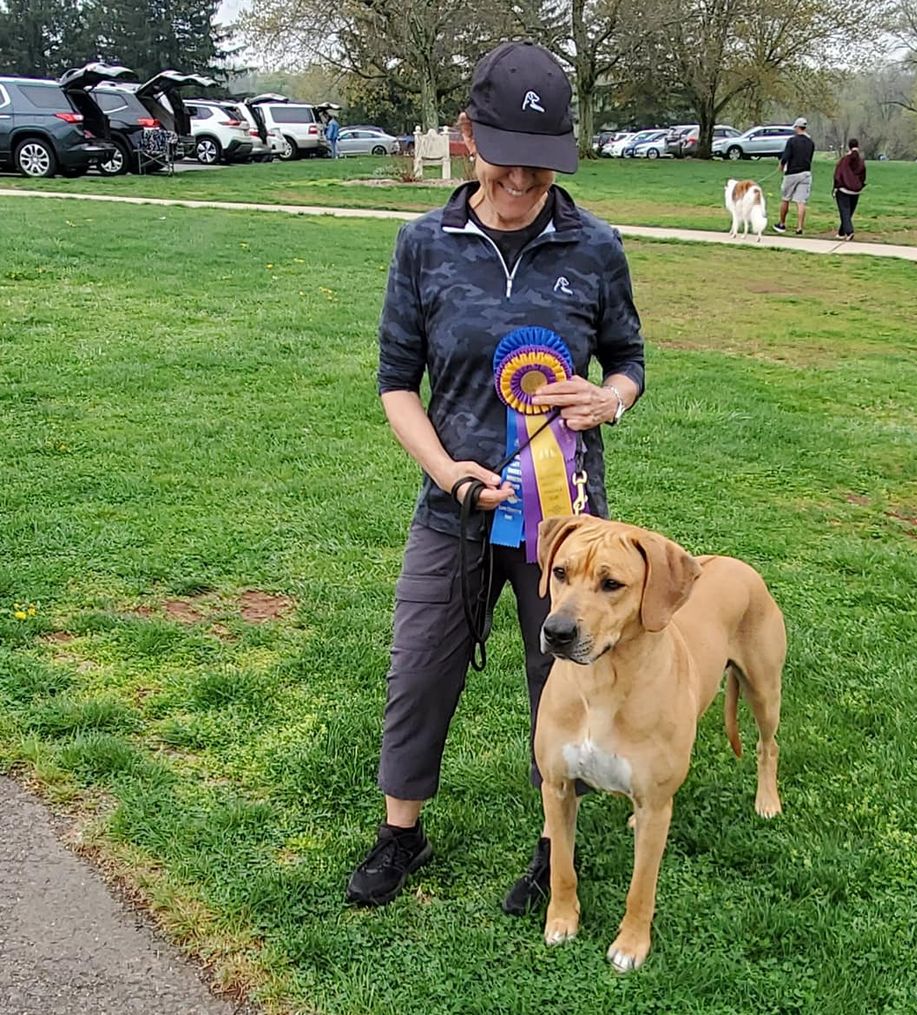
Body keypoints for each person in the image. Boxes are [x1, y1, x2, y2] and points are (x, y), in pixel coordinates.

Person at [346, 40, 645, 914]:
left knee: (562, 674)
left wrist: (610, 398)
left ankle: (556, 842)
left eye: (540, 168)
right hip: (454, 510)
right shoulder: (422, 245)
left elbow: (628, 358)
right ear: (469, 135)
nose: (521, 183)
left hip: (568, 525)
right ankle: (401, 832)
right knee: (420, 668)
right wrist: (447, 472)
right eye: (507, 161)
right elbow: (396, 383)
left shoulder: (595, 245)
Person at [774, 117, 815, 236]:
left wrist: (781, 165)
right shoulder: (810, 142)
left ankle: (782, 224)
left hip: (792, 173)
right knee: (801, 202)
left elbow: (786, 156)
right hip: (806, 173)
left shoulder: (792, 141)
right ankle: (799, 227)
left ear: (797, 127)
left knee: (785, 198)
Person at [833, 138, 866, 240]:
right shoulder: (861, 161)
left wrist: (836, 187)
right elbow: (863, 176)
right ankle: (841, 233)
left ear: (849, 146)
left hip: (844, 189)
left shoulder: (844, 160)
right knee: (849, 212)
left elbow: (838, 174)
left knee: (844, 211)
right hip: (856, 190)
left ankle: (849, 231)